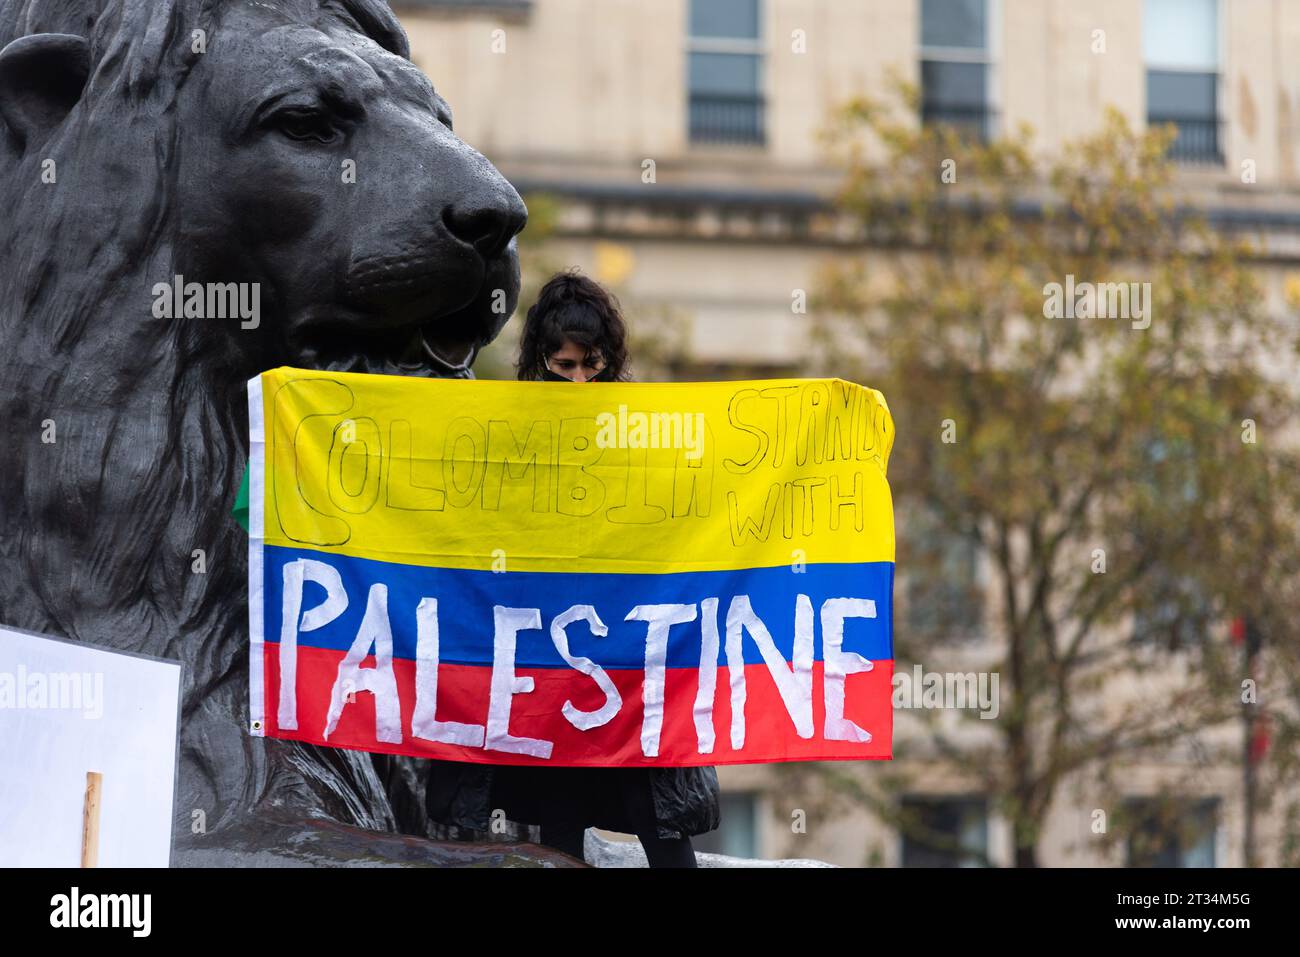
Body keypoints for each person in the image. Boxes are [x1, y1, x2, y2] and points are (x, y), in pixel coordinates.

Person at [423, 270, 721, 867]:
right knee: (557, 824)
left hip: (631, 673)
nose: (581, 382)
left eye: (593, 366)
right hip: (545, 676)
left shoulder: (646, 441)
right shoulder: (505, 444)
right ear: (538, 363)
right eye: (564, 367)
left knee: (657, 821)